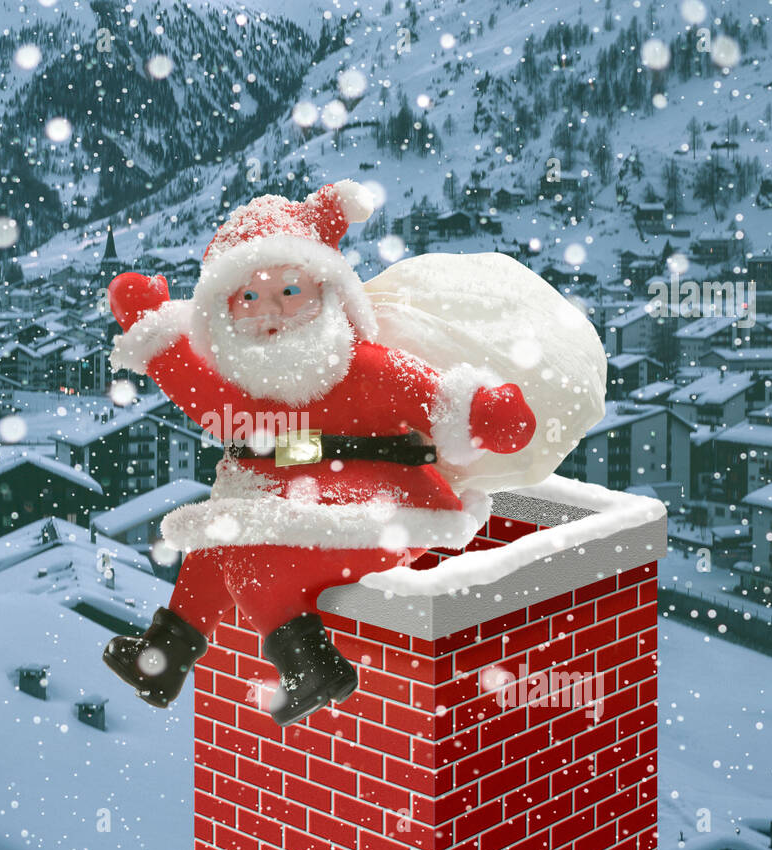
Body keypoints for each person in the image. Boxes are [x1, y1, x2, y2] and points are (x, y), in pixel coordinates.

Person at [99, 181, 537, 725]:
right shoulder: (238, 380)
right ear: (225, 312)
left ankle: (310, 665)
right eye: (249, 298)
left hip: (385, 500)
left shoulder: (362, 368)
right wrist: (148, 318)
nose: (271, 311)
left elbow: (433, 395)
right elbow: (181, 369)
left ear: (327, 292)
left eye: (289, 290)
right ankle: (162, 659)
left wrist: (485, 415)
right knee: (214, 549)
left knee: (248, 557)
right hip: (297, 496)